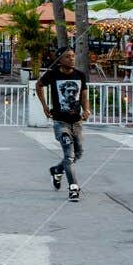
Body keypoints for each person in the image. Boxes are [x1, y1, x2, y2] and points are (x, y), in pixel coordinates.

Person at [36, 48, 88, 203]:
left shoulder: (80, 75)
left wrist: (87, 109)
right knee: (69, 155)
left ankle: (57, 170)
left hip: (77, 122)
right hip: (60, 122)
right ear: (59, 59)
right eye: (67, 57)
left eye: (73, 56)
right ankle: (73, 188)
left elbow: (84, 94)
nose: (72, 59)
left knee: (77, 153)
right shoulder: (53, 74)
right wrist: (45, 106)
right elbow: (39, 85)